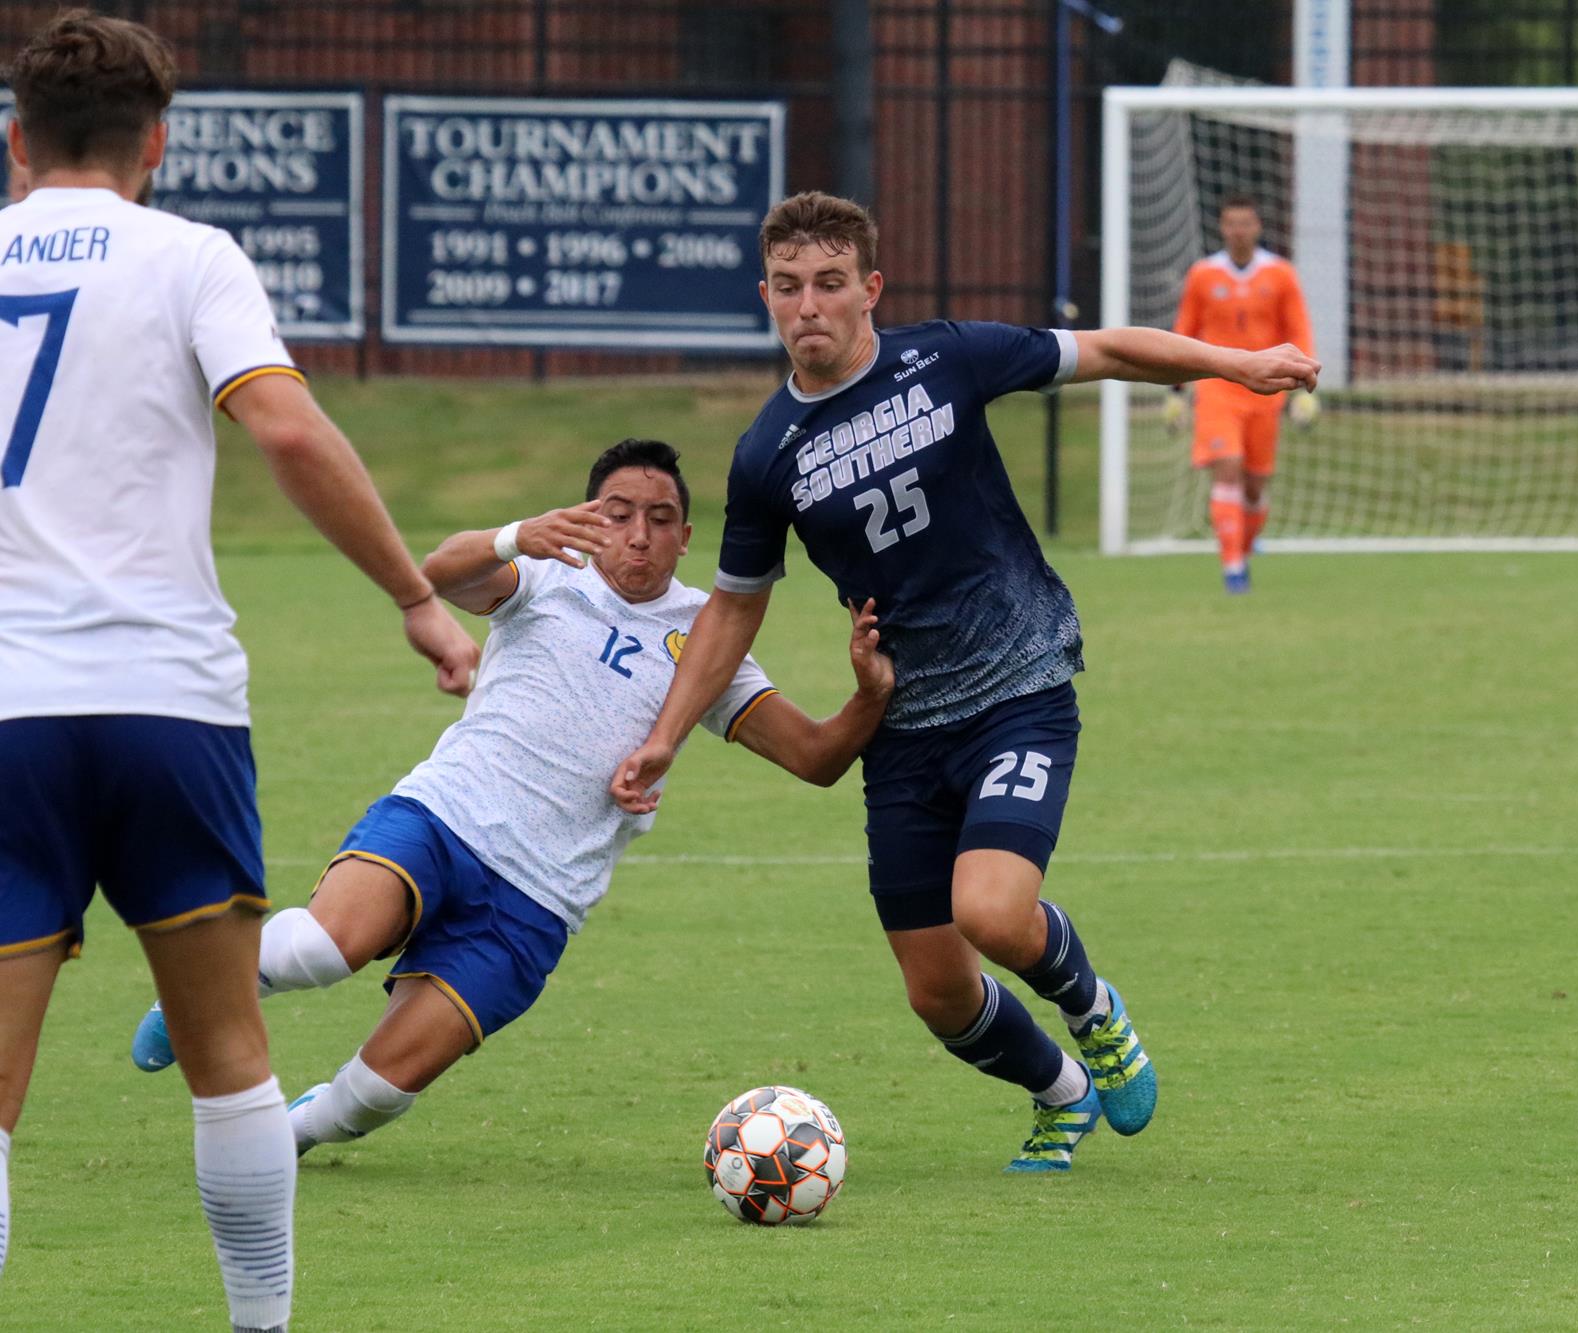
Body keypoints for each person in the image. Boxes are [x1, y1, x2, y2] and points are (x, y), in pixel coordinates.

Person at [610, 192, 1319, 1172]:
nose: (806, 305)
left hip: (1018, 683)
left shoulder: (942, 358)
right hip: (903, 728)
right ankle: (1059, 1093)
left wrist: (1235, 366)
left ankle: (1093, 1009)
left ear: (870, 289)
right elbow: (732, 609)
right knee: (937, 990)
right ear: (765, 296)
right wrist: (663, 739)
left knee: (991, 911)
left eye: (827, 284)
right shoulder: (767, 455)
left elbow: (1104, 350)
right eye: (786, 287)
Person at [0, 12, 478, 1331]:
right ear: (156, 141)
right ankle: (259, 1327)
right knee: (227, 1055)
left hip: (8, 712)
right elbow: (288, 428)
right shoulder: (191, 258)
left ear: (14, 139)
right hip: (170, 708)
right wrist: (417, 600)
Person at [131, 440, 894, 1160]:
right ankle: (192, 991)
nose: (638, 535)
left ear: (686, 536)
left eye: (659, 520)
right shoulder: (548, 574)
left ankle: (291, 1132)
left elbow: (816, 756)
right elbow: (439, 573)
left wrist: (867, 694)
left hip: (537, 900)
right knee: (324, 948)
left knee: (373, 1096)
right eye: (619, 513)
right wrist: (513, 536)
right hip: (443, 818)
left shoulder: (706, 638)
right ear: (590, 518)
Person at [1165, 194, 1317, 594]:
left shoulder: (1281, 274)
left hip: (1266, 391)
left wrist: (1304, 387)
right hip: (1217, 387)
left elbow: (1298, 329)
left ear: (1257, 227)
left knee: (1255, 485)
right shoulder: (1203, 275)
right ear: (1222, 227)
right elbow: (1185, 331)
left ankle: (1243, 552)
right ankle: (1232, 567)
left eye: (1245, 223)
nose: (1238, 231)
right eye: (1231, 223)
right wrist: (1176, 392)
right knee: (1227, 464)